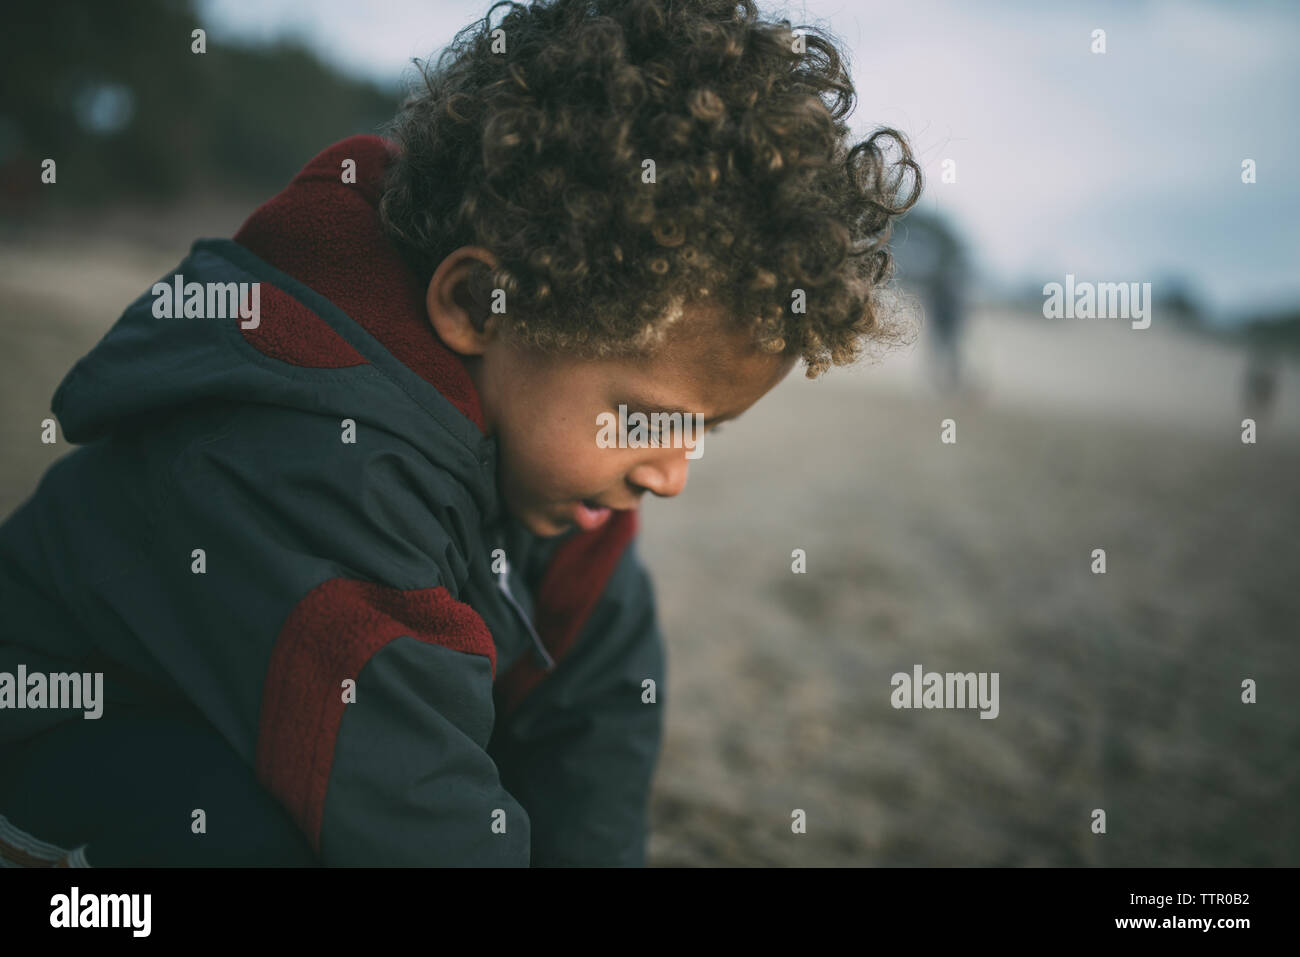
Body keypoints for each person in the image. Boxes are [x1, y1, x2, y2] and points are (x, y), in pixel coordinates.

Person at [0, 0, 920, 866]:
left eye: (707, 431)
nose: (673, 474)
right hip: (61, 748)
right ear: (482, 302)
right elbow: (409, 810)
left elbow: (597, 721)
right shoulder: (312, 454)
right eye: (651, 419)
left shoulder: (564, 502)